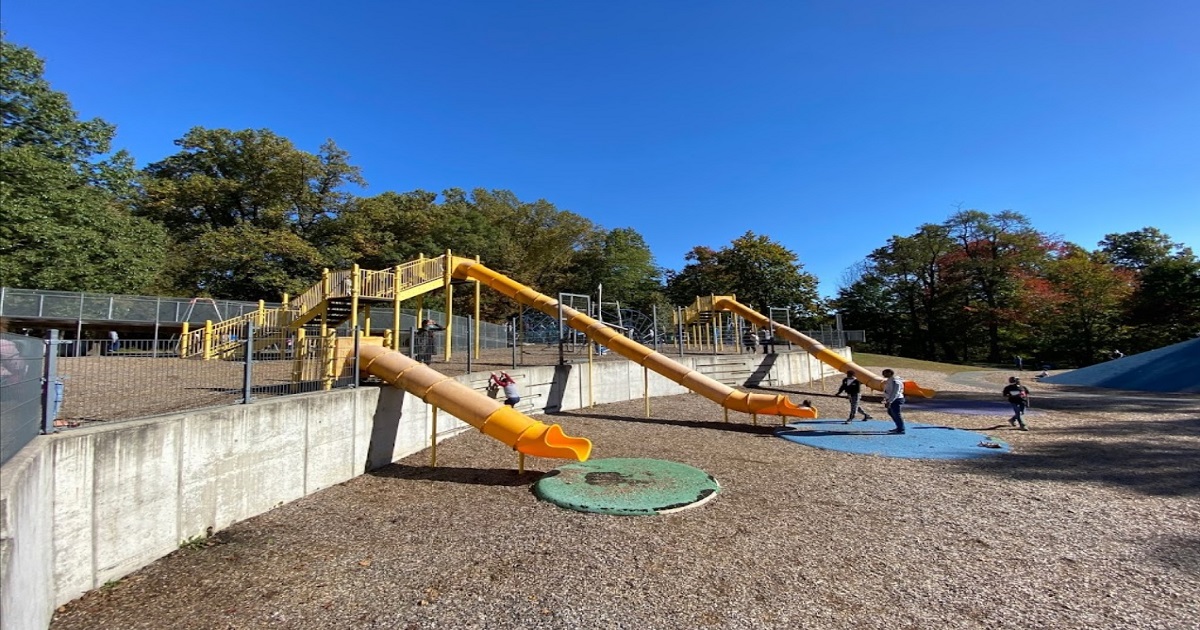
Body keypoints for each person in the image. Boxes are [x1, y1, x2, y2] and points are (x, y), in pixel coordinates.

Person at [881, 368, 906, 434]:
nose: (883, 374)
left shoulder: (896, 381)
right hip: (891, 399)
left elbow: (895, 393)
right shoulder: (888, 380)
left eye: (885, 373)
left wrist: (890, 401)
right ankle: (899, 427)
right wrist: (886, 399)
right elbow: (888, 391)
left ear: (890, 373)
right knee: (890, 412)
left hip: (897, 399)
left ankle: (901, 429)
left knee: (896, 414)